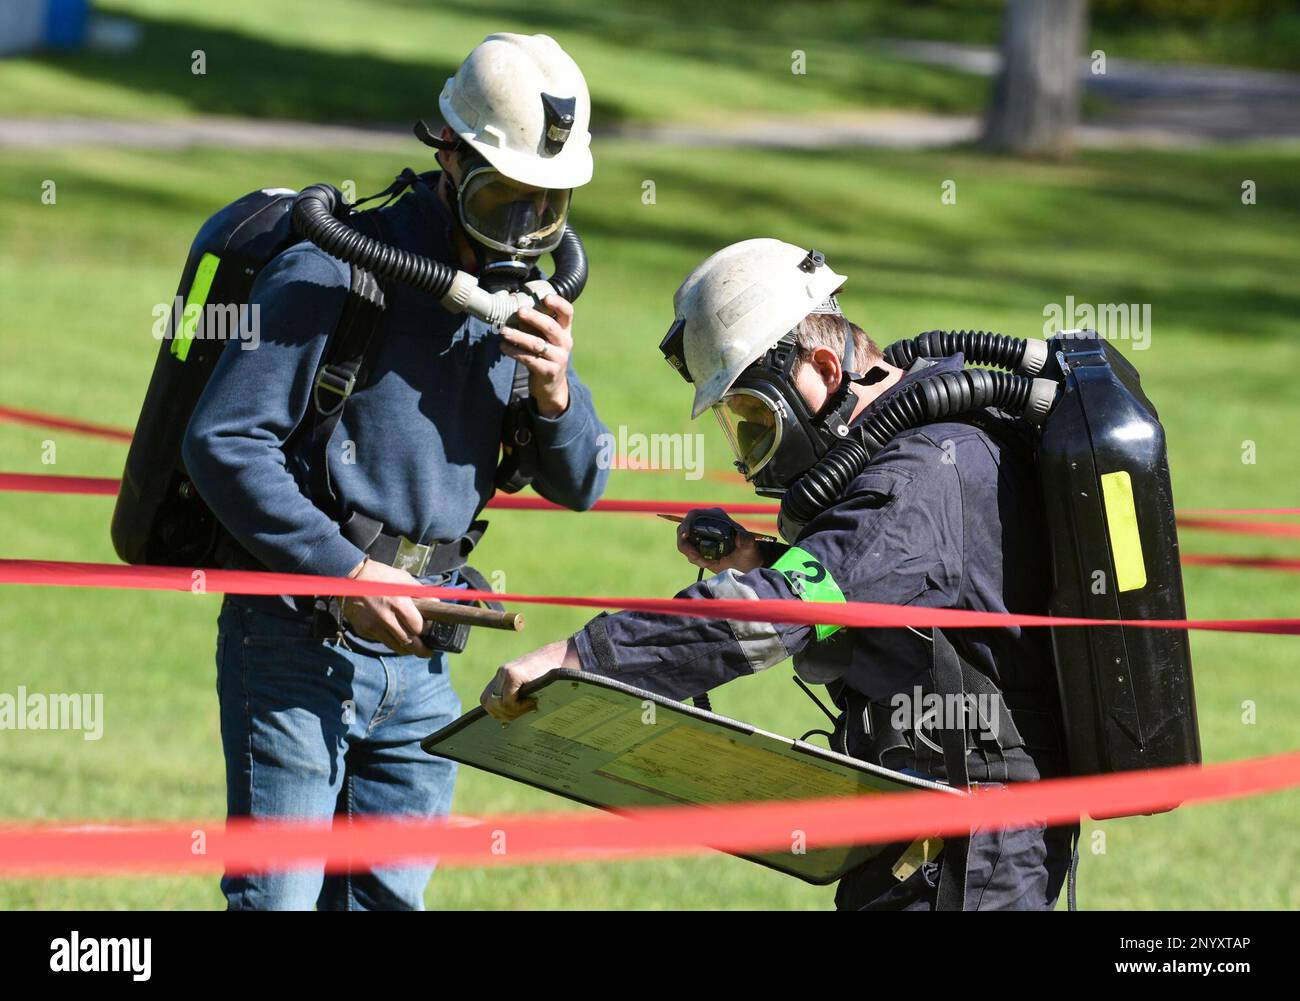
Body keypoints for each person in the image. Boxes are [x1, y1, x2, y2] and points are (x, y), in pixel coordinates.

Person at [478, 238, 1076, 911]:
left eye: (758, 417)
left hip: (972, 835)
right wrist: (757, 561)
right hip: (930, 813)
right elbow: (853, 591)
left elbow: (776, 616)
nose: (752, 454)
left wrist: (583, 655)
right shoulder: (909, 449)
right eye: (741, 426)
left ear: (823, 364)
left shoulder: (920, 469)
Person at [182, 33, 610, 911]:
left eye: (547, 209)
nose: (525, 234)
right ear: (448, 155)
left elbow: (584, 482)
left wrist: (556, 391)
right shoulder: (331, 267)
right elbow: (224, 441)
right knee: (278, 902)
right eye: (505, 201)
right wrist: (344, 573)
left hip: (424, 657)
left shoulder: (518, 300)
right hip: (297, 640)